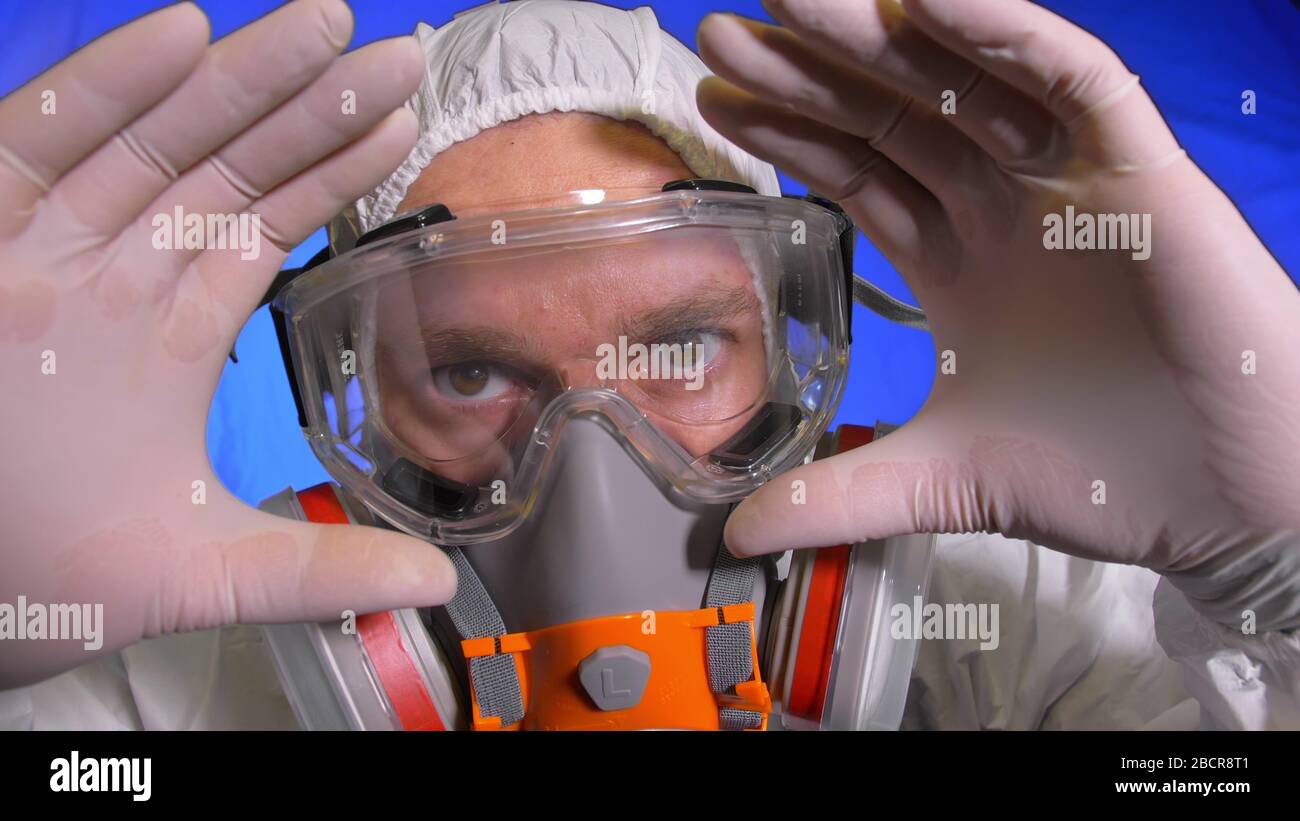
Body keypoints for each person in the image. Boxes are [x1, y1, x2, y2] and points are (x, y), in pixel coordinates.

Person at [0, 0, 1296, 729]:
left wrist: (1278, 581)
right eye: (466, 374)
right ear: (356, 403)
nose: (590, 472)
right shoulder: (166, 683)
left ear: (796, 345)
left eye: (677, 346)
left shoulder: (1021, 627)